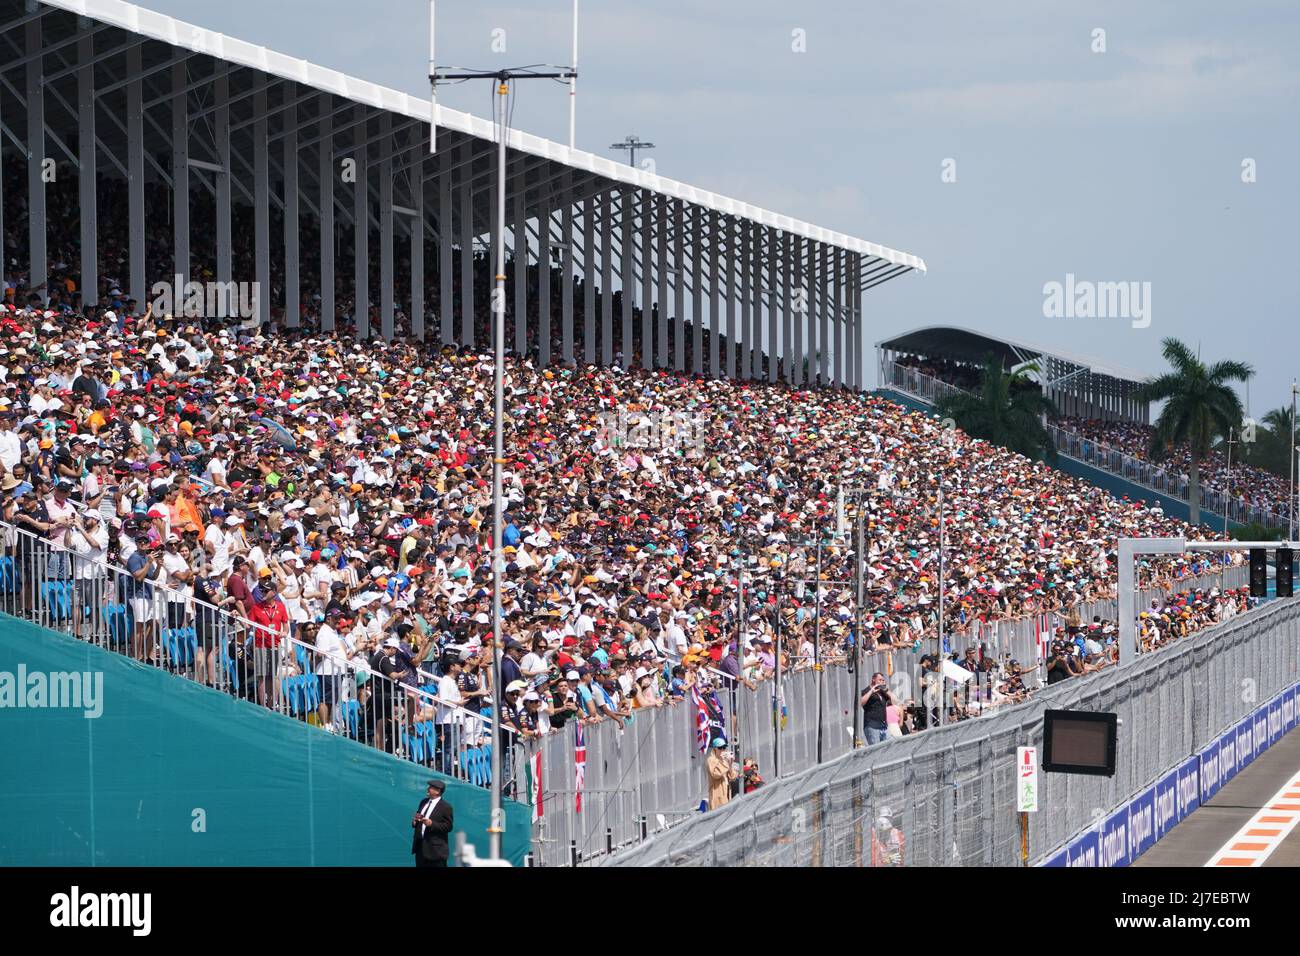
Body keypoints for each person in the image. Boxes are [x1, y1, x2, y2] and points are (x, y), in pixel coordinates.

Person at [411, 778, 454, 868]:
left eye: (430, 787)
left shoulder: (446, 807)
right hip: (420, 848)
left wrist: (432, 824)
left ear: (437, 791)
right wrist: (415, 822)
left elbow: (448, 826)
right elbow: (419, 817)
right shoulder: (423, 802)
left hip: (436, 851)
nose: (428, 789)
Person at [860, 672, 892, 745]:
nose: (881, 682)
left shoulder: (882, 692)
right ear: (873, 680)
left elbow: (894, 701)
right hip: (872, 726)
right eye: (880, 680)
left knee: (888, 747)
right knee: (876, 750)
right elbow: (861, 703)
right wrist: (871, 691)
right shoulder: (866, 691)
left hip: (883, 726)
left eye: (883, 680)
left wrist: (887, 690)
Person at [706, 738, 738, 810]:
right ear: (715, 749)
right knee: (717, 814)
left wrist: (730, 764)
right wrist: (726, 765)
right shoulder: (711, 760)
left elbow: (733, 777)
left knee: (726, 812)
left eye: (724, 747)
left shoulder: (724, 760)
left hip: (726, 790)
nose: (722, 750)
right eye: (720, 748)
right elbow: (716, 774)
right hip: (716, 792)